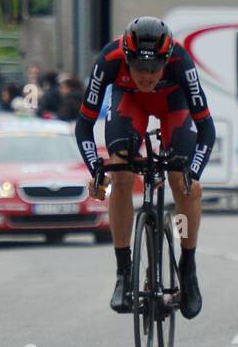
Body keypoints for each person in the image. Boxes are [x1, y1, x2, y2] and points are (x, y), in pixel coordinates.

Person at [74, 16, 214, 319]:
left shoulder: (182, 62)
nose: (147, 76)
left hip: (172, 105)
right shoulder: (109, 60)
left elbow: (207, 130)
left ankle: (187, 267)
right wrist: (96, 170)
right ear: (126, 59)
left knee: (183, 185)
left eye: (154, 69)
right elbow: (84, 126)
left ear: (166, 61)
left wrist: (195, 172)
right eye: (139, 67)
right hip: (130, 104)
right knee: (121, 176)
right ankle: (123, 274)